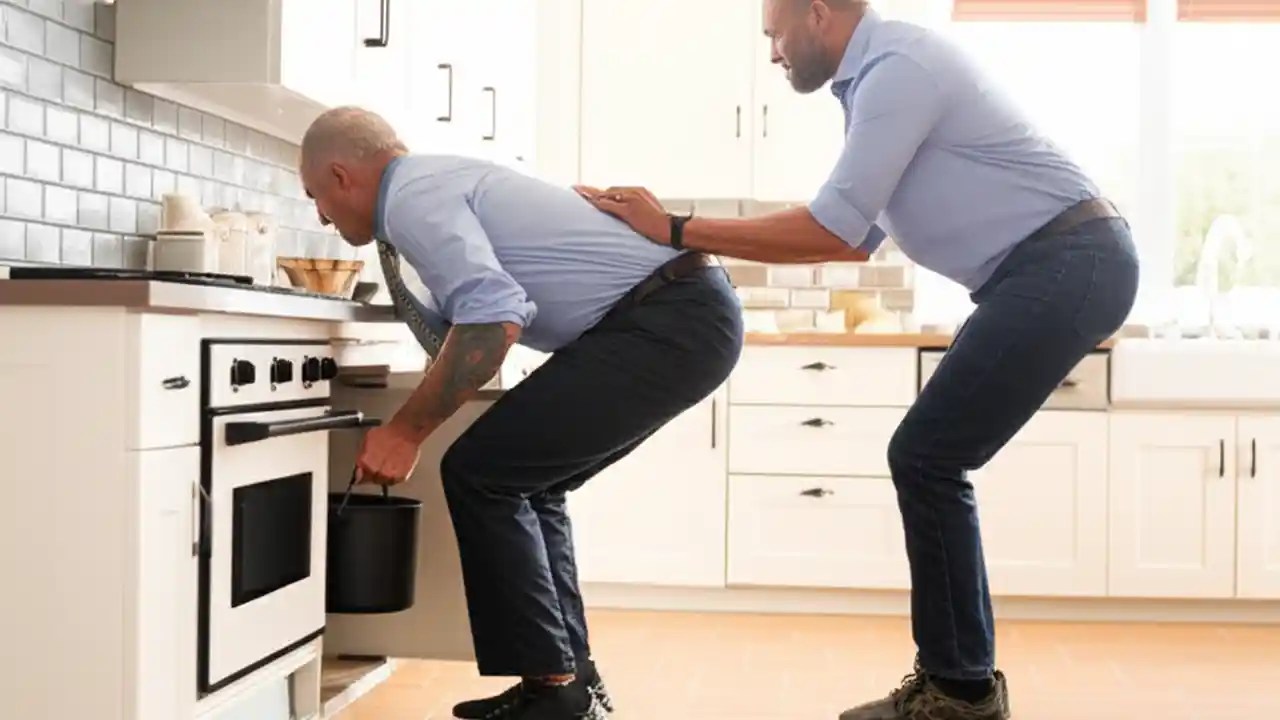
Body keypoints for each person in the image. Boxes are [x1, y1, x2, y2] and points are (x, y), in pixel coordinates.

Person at [575, 1, 1139, 719]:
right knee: (931, 457)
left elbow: (831, 230)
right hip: (1051, 269)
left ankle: (961, 690)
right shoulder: (875, 80)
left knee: (928, 456)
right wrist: (682, 235)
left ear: (817, 14)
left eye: (774, 34)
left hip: (1070, 262)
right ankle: (957, 682)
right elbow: (851, 232)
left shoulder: (898, 69)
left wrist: (678, 228)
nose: (773, 54)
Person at [299, 106, 744, 720]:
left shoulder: (410, 199)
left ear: (342, 175)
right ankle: (567, 684)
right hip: (678, 316)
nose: (320, 213)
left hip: (668, 321)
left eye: (315, 194)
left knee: (483, 473)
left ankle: (557, 688)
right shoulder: (427, 185)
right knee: (528, 484)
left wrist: (405, 431)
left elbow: (494, 317)